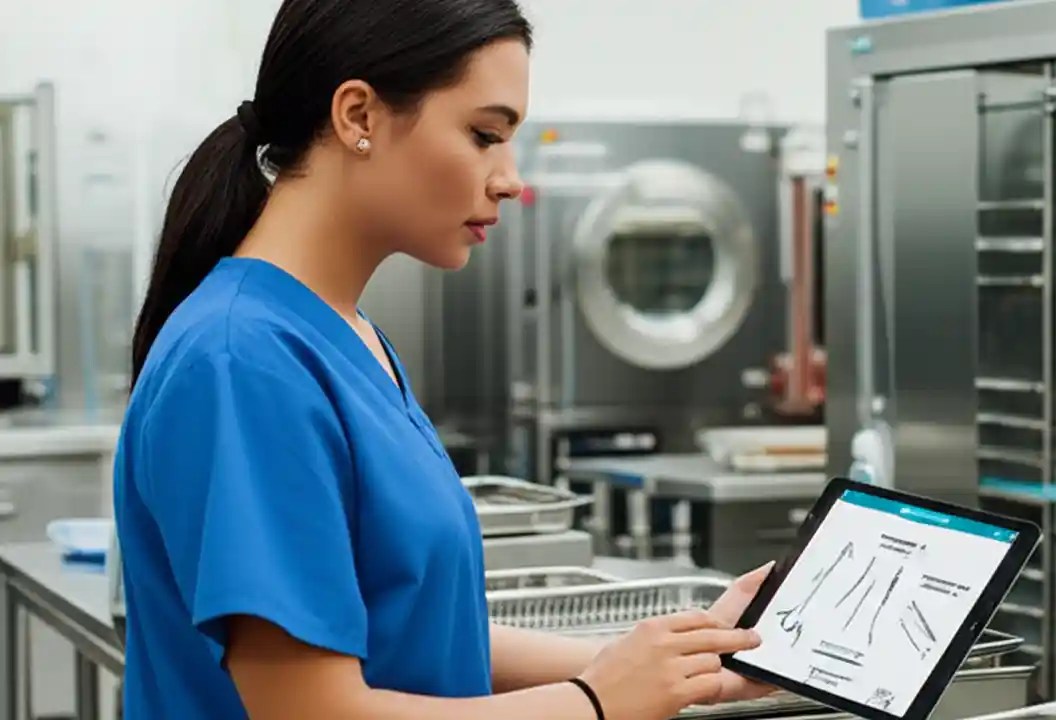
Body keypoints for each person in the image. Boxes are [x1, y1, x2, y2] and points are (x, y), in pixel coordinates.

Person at [113, 0, 776, 718]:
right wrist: (595, 703)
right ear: (359, 116)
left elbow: (413, 630)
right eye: (484, 134)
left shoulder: (344, 335)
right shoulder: (243, 360)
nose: (510, 179)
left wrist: (684, 659)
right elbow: (312, 709)